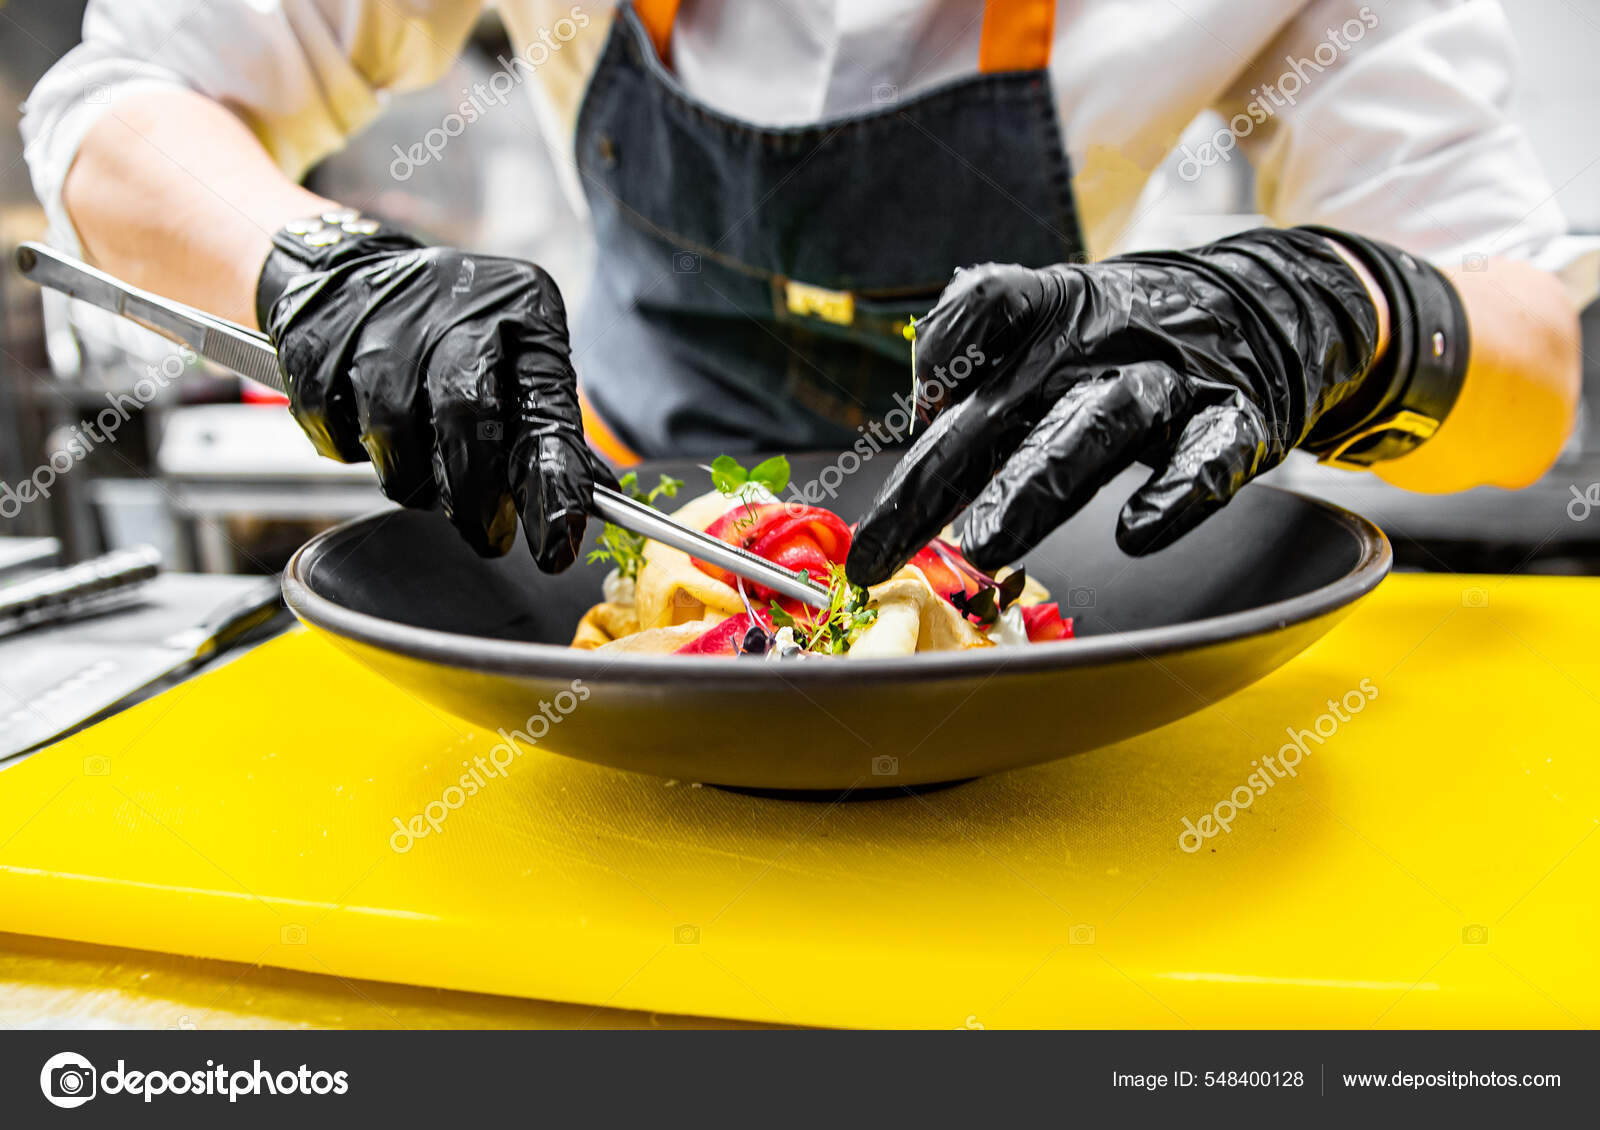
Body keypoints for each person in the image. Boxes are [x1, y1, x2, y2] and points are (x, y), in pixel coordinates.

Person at [22, 1, 1591, 583]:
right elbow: (121, 99)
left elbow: (1525, 368)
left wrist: (1320, 309)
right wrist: (336, 274)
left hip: (1024, 573)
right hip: (616, 549)